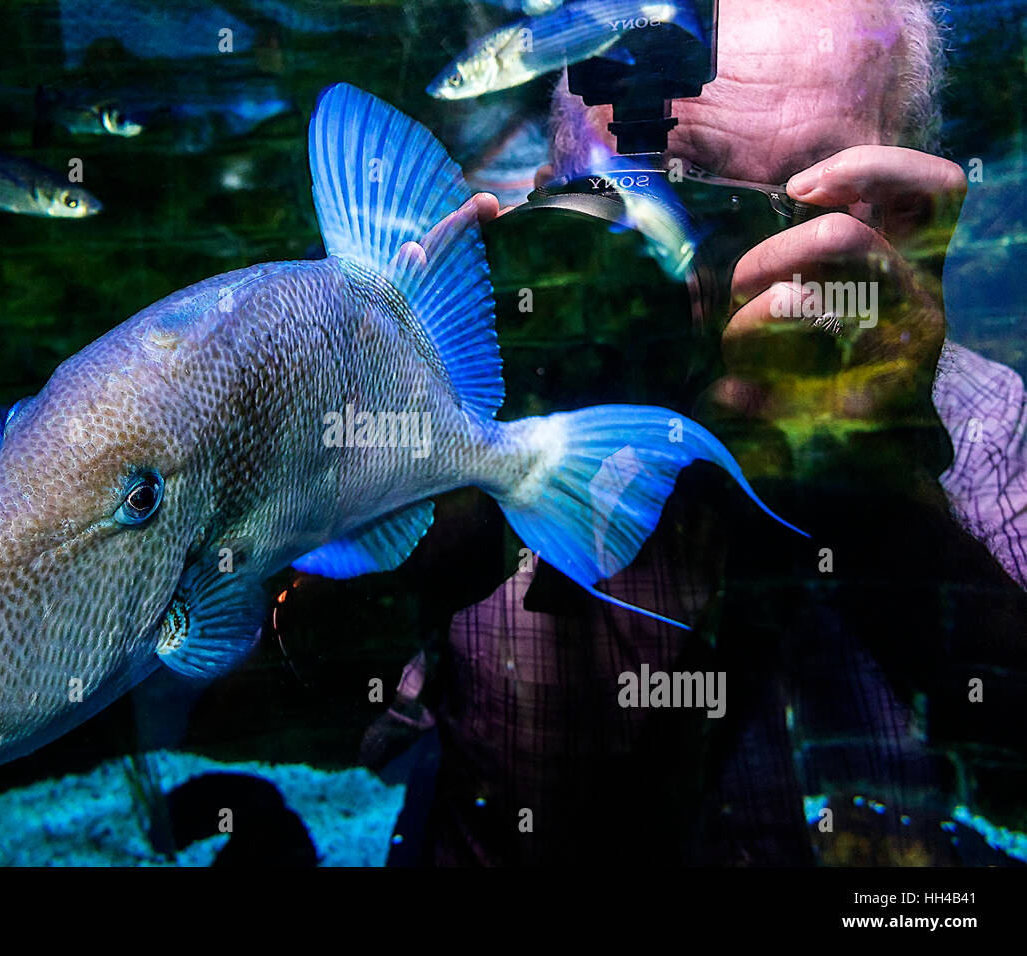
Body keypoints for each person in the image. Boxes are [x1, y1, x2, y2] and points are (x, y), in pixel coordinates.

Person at [329, 0, 1027, 865]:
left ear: (903, 221)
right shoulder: (477, 411)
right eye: (665, 193)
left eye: (801, 202)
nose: (728, 267)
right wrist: (407, 459)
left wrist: (878, 482)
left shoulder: (982, 426)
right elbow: (299, 697)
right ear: (553, 187)